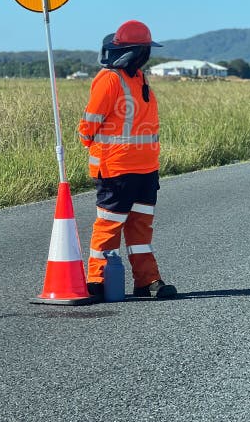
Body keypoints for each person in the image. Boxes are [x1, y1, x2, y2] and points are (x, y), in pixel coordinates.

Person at [78, 20, 177, 300]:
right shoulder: (110, 80)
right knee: (109, 227)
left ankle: (148, 281)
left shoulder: (139, 79)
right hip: (117, 170)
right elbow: (90, 123)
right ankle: (97, 280)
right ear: (139, 53)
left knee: (139, 230)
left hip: (145, 170)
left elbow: (93, 126)